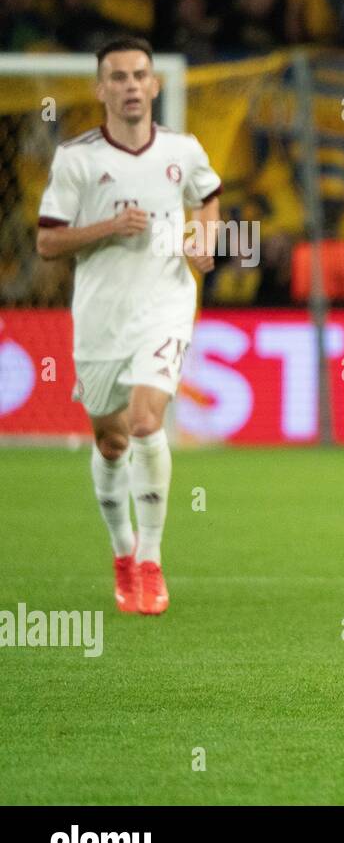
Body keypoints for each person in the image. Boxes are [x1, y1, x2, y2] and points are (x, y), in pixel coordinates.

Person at [36, 36, 222, 615]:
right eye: (118, 77)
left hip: (165, 304)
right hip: (100, 319)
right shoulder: (78, 159)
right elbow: (46, 242)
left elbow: (209, 198)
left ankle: (151, 559)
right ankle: (121, 549)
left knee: (146, 422)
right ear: (101, 90)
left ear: (156, 84)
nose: (131, 85)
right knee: (111, 440)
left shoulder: (183, 149)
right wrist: (106, 228)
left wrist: (205, 240)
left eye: (140, 75)